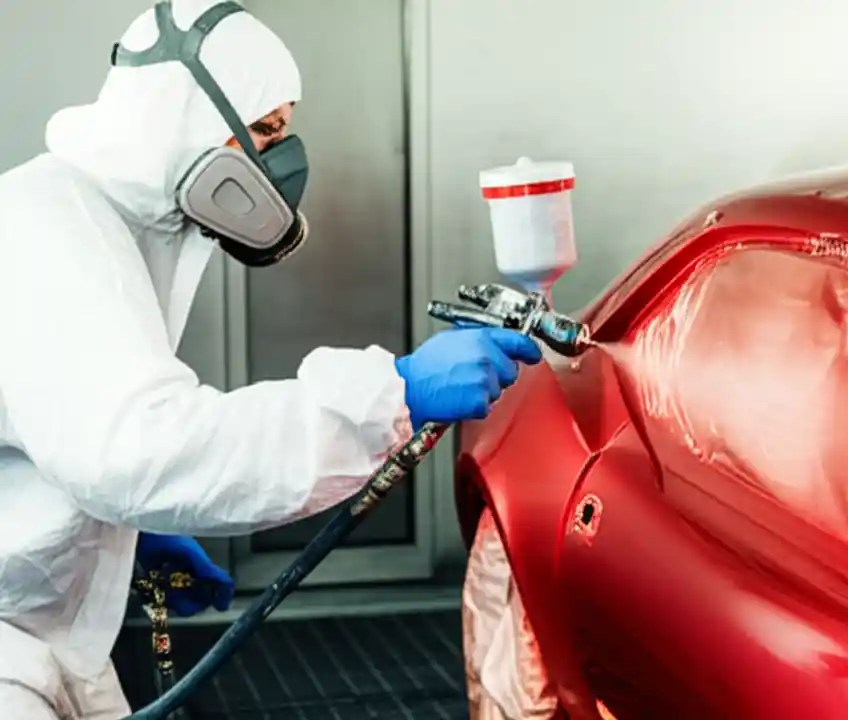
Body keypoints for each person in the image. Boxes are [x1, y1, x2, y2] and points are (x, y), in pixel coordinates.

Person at [0, 1, 541, 717]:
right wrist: (394, 392)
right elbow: (134, 448)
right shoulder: (49, 224)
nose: (278, 163)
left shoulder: (116, 223)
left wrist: (114, 539)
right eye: (264, 132)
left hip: (50, 632)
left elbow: (74, 426)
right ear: (185, 119)